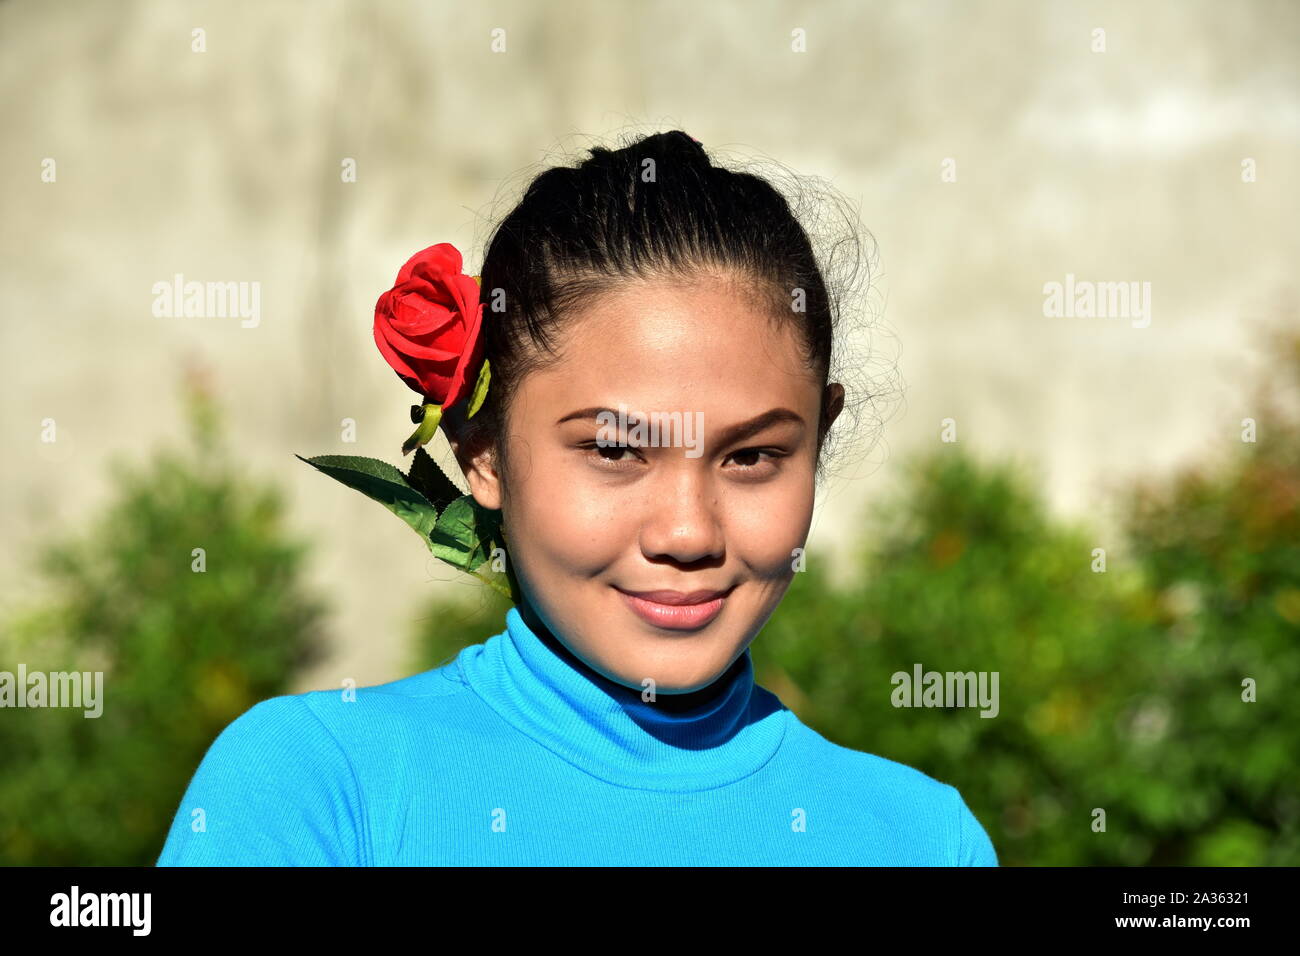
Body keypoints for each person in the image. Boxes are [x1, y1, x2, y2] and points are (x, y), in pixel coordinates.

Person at [156, 130, 998, 866]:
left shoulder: (920, 837)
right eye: (613, 450)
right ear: (482, 451)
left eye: (752, 456)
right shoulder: (320, 788)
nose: (687, 532)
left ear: (820, 436)